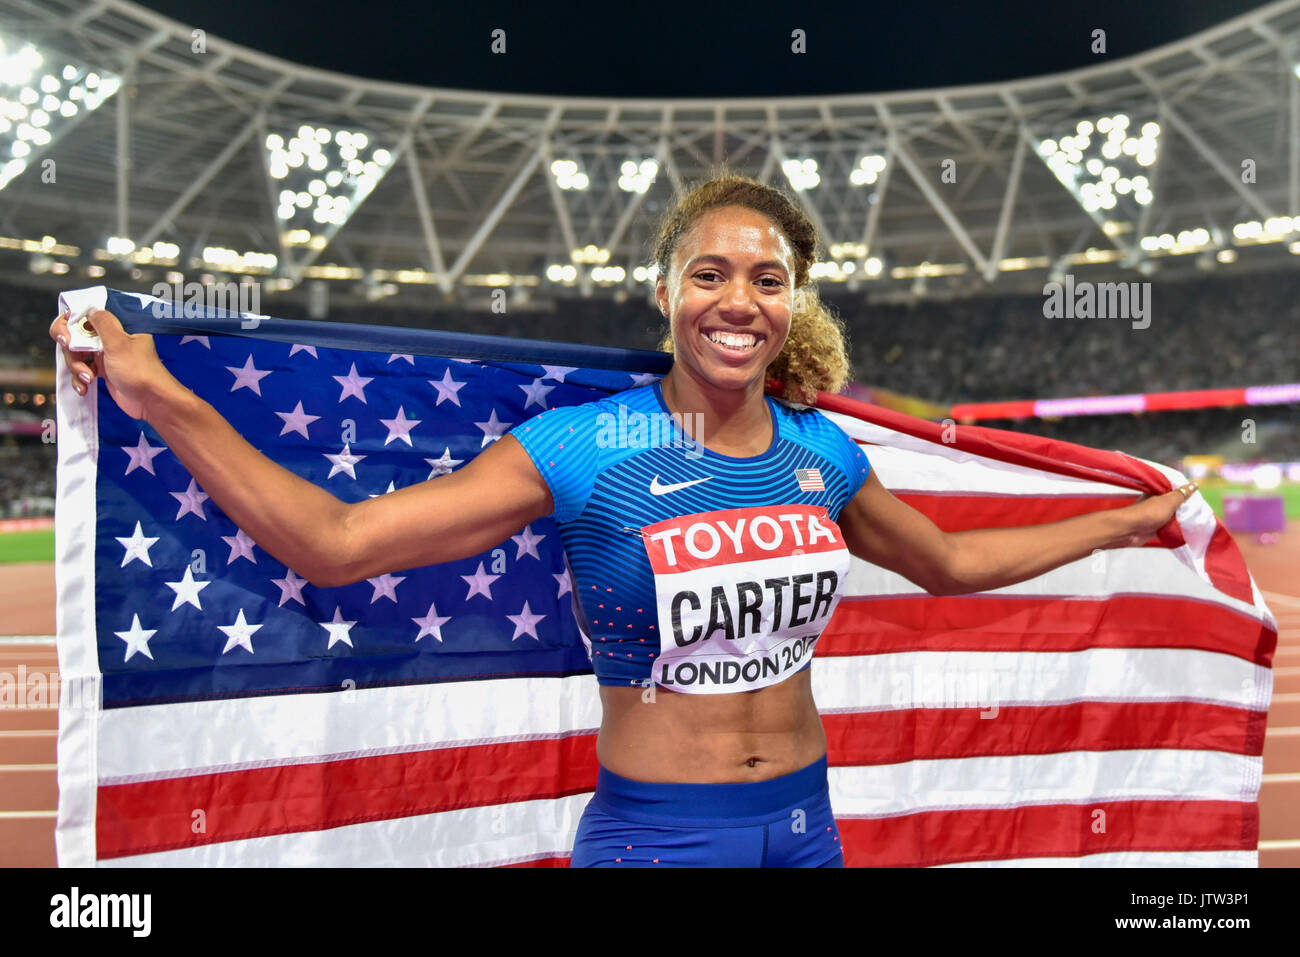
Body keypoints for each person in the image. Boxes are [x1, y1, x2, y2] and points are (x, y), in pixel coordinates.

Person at [49, 171, 1196, 868]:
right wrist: (165, 398)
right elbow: (338, 549)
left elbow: (945, 562)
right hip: (659, 834)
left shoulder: (821, 450)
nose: (737, 300)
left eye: (765, 278)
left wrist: (1119, 523)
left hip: (805, 825)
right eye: (708, 275)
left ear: (791, 301)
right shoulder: (582, 447)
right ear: (664, 292)